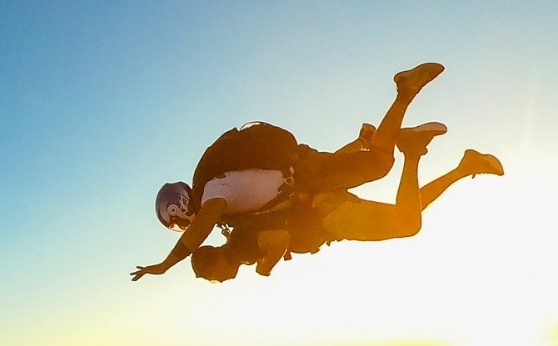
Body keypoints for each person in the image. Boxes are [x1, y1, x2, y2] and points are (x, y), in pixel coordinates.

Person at [132, 62, 445, 281]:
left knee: (386, 177)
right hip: (306, 180)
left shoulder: (213, 192)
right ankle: (404, 134)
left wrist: (165, 264)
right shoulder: (224, 203)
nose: (185, 227)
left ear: (179, 207)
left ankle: (406, 114)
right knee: (385, 175)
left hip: (306, 174)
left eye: (179, 222)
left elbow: (201, 230)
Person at [186, 126, 504, 282]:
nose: (216, 281)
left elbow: (280, 237)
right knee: (409, 211)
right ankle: (463, 168)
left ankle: (411, 151)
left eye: (210, 276)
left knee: (407, 222)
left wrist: (265, 267)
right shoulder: (237, 230)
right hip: (325, 207)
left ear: (215, 262)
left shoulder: (241, 245)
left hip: (330, 218)